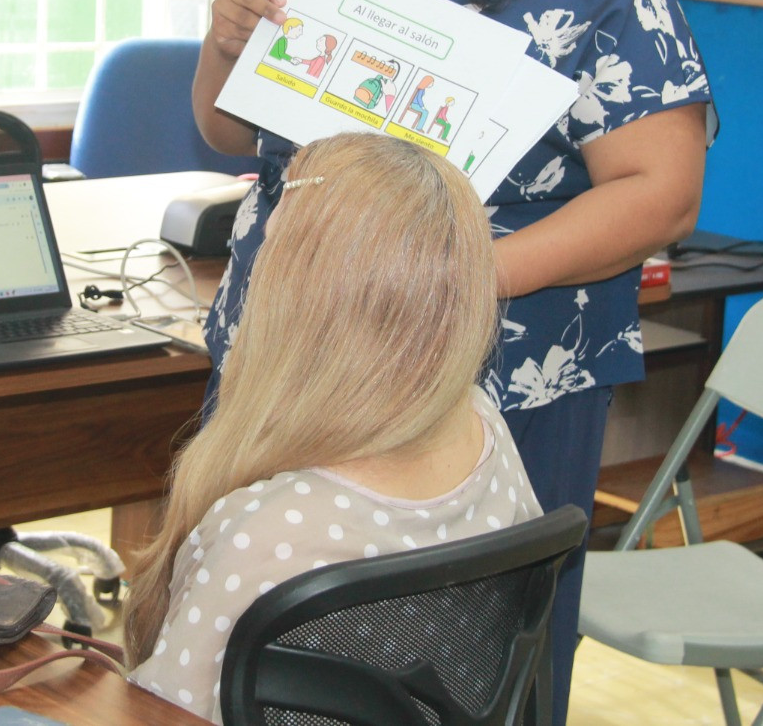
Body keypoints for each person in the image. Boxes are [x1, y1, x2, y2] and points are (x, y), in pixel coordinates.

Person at [191, 0, 713, 726]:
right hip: (288, 359)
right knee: (247, 636)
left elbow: (662, 193)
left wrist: (466, 275)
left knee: (460, 672)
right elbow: (226, 129)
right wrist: (222, 44)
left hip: (492, 382)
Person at [125, 132, 539, 722]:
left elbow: (164, 714)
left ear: (297, 300)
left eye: (270, 252)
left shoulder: (263, 532)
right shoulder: (485, 427)